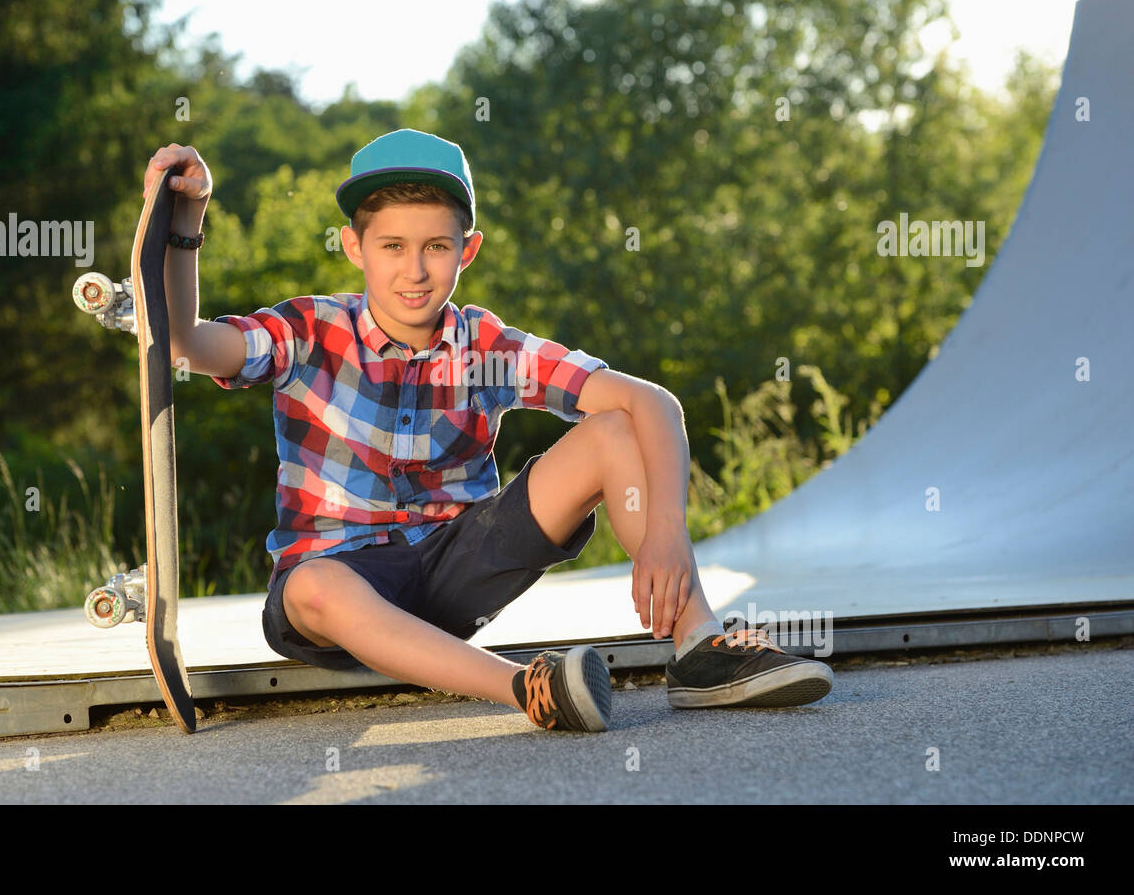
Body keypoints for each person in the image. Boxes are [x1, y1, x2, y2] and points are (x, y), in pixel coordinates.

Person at [145, 128, 833, 733]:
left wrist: (668, 532)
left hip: (456, 571)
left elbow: (653, 403)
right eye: (392, 246)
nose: (414, 270)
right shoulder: (307, 330)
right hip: (338, 588)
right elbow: (186, 343)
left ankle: (698, 646)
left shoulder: (487, 344)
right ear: (354, 246)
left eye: (436, 246)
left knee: (614, 429)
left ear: (466, 250)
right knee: (311, 585)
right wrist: (185, 221)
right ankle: (528, 687)